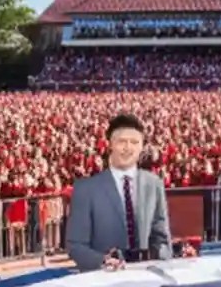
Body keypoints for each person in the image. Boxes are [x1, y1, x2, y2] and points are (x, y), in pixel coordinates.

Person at [66, 114, 173, 272]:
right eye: (122, 141)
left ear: (142, 146)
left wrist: (163, 255)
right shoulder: (86, 189)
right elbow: (75, 245)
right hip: (102, 282)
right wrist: (103, 262)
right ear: (109, 144)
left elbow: (161, 237)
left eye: (134, 142)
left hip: (146, 280)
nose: (128, 148)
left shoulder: (154, 184)